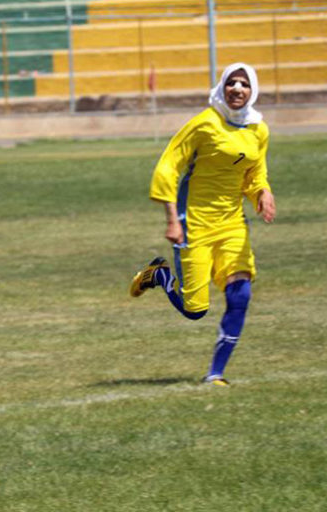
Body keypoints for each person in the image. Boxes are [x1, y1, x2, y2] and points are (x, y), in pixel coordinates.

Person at [129, 62, 276, 386]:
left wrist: (262, 192)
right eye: (232, 83)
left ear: (253, 91)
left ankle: (215, 374)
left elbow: (254, 172)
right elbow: (168, 166)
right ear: (222, 87)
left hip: (232, 223)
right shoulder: (204, 124)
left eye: (244, 84)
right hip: (193, 221)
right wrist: (171, 218)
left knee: (240, 295)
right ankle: (159, 275)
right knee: (195, 309)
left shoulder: (258, 129)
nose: (238, 89)